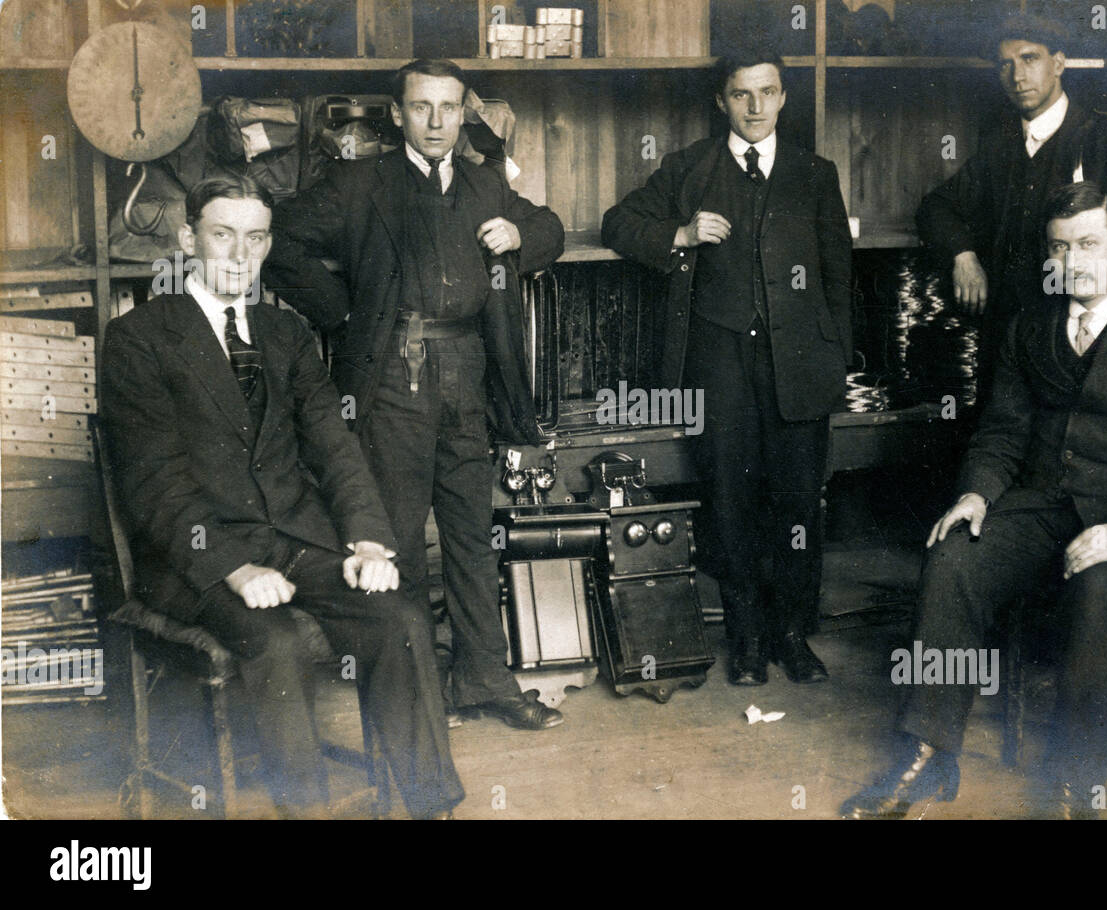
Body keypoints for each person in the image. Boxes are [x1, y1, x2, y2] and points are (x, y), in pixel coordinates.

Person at [840, 182, 1107, 819]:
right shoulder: (1032, 326)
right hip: (1048, 507)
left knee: (1100, 588)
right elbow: (1002, 431)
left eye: (1088, 244)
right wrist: (976, 494)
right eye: (1060, 248)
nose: (1073, 261)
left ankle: (1078, 783)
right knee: (954, 556)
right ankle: (926, 753)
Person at [101, 177, 462, 818]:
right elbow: (154, 485)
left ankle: (433, 806)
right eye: (222, 235)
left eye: (256, 237)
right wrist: (235, 570)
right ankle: (308, 812)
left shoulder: (286, 333)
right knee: (278, 643)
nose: (240, 254)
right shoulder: (139, 338)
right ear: (188, 239)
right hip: (195, 558)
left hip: (294, 540)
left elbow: (335, 447)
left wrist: (368, 540)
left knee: (401, 619)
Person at [263, 59, 566, 730]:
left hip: (470, 372)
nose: (436, 121)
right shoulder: (358, 183)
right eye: (422, 107)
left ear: (464, 115)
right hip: (394, 379)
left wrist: (519, 237)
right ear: (397, 115)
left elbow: (552, 229)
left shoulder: (486, 184)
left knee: (470, 535)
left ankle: (485, 680)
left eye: (449, 108)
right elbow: (278, 240)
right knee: (395, 538)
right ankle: (416, 692)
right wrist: (341, 312)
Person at [601, 51, 854, 686]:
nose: (756, 107)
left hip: (799, 367)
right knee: (732, 504)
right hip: (720, 369)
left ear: (784, 97)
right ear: (722, 101)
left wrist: (835, 363)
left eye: (767, 93)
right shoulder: (689, 169)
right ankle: (745, 642)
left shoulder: (815, 174)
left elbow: (839, 279)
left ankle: (793, 636)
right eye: (742, 95)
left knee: (797, 504)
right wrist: (680, 234)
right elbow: (618, 223)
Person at [916, 13, 1107, 401]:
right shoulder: (999, 149)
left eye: (1030, 58)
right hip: (1011, 348)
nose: (1017, 76)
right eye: (1006, 64)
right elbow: (936, 206)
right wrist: (963, 255)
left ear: (1058, 63)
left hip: (1087, 344)